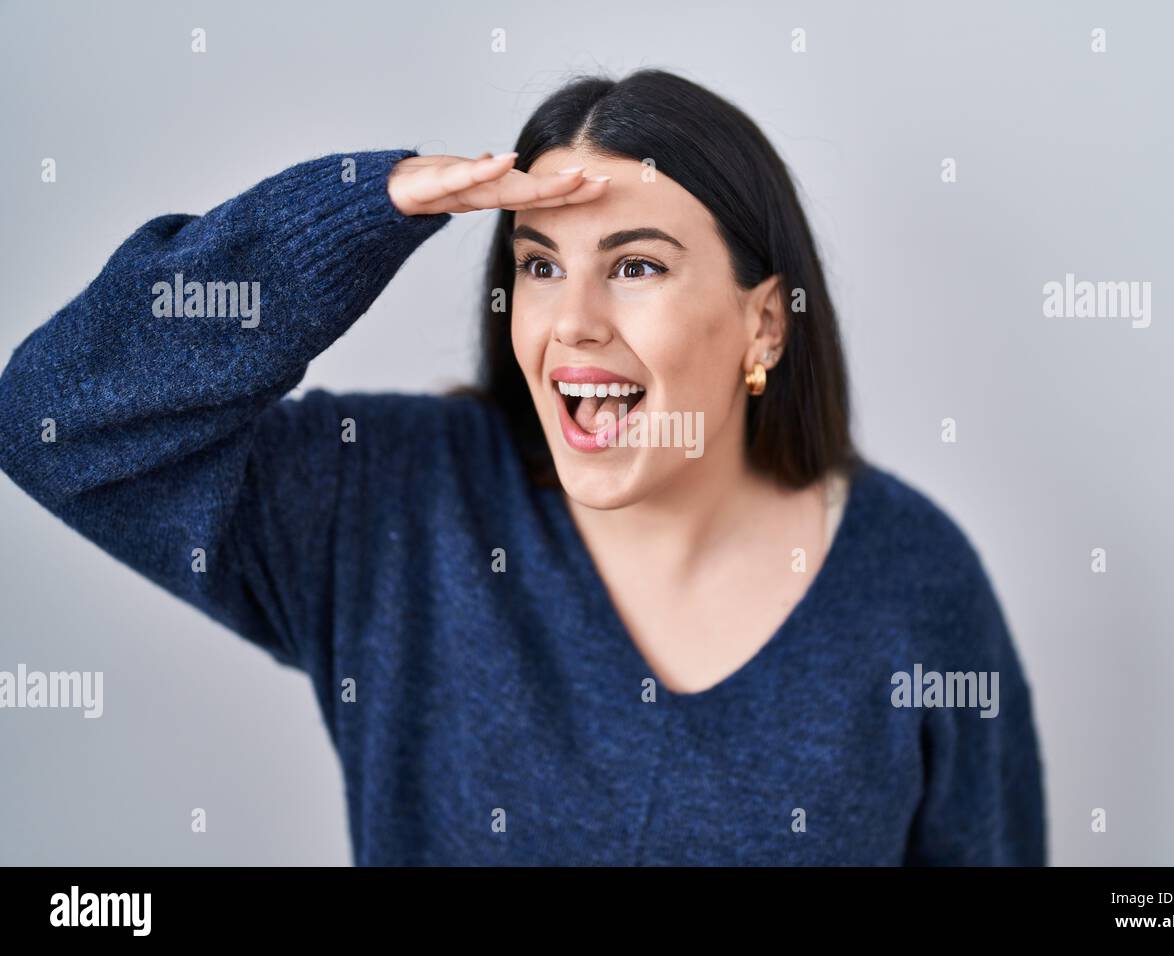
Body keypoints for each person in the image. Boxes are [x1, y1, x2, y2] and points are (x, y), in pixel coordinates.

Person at [0, 69, 1046, 865]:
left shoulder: (914, 583)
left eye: (636, 266)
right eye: (539, 265)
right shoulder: (390, 506)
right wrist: (360, 212)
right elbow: (54, 418)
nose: (573, 324)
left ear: (762, 323)